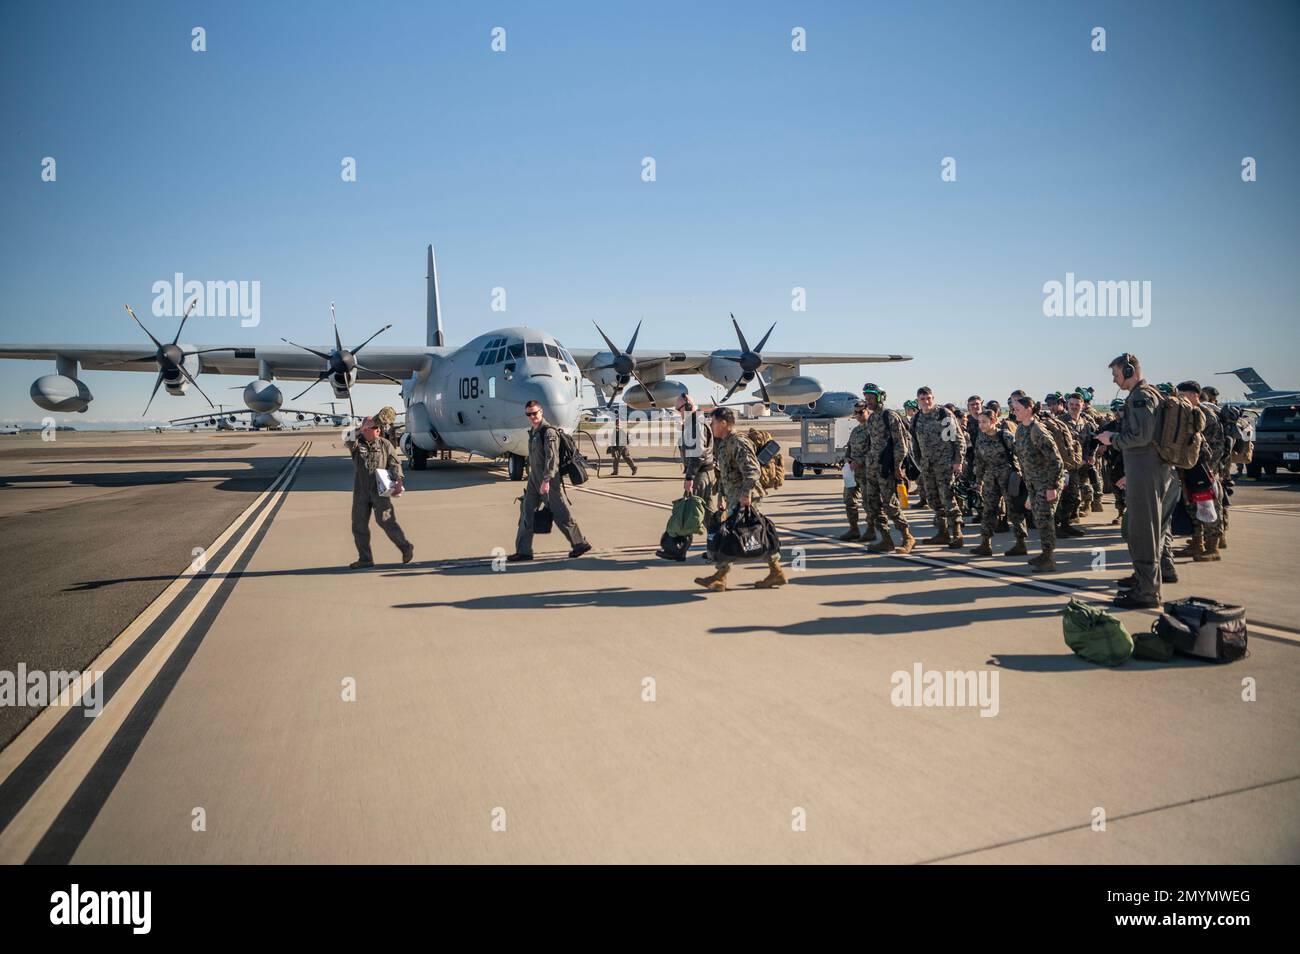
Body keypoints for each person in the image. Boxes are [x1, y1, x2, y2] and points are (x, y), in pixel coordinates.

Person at [1097, 353, 1171, 608]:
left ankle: (1148, 591)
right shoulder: (1146, 395)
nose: (1115, 380)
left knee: (1143, 530)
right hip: (1146, 468)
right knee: (1144, 529)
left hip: (1145, 468)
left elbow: (1141, 436)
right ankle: (1143, 580)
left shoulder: (1141, 396)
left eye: (1117, 374)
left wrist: (1112, 440)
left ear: (1129, 371)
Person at [694, 406, 785, 591]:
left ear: (723, 423)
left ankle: (722, 577)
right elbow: (726, 473)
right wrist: (721, 495)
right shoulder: (725, 443)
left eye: (713, 422)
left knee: (749, 534)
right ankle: (773, 572)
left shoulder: (738, 442)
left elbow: (753, 471)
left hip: (745, 496)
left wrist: (746, 494)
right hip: (734, 495)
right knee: (742, 534)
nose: (711, 426)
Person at [508, 400, 592, 562]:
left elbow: (552, 460)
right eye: (529, 414)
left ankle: (580, 543)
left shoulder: (548, 433)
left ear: (541, 412)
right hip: (534, 479)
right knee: (526, 512)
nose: (532, 416)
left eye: (535, 413)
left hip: (548, 480)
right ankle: (523, 551)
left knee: (560, 514)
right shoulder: (533, 432)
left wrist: (546, 480)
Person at [345, 416, 413, 569]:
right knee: (358, 525)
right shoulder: (356, 443)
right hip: (361, 490)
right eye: (374, 428)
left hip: (380, 490)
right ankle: (365, 559)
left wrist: (399, 481)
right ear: (366, 430)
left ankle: (406, 547)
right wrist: (360, 428)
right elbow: (345, 436)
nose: (378, 430)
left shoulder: (384, 444)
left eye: (378, 428)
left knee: (386, 521)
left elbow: (394, 463)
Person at [1173, 381, 1226, 562]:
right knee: (1193, 508)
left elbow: (1218, 445)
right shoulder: (1186, 413)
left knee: (1209, 507)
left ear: (1195, 395)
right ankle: (1197, 543)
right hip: (1189, 468)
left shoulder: (1207, 415)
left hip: (1204, 470)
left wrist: (1208, 469)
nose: (1180, 399)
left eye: (1183, 395)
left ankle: (1213, 548)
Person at [658, 391, 715, 560]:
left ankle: (678, 549)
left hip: (700, 473)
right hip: (706, 471)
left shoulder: (695, 423)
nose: (679, 413)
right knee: (709, 514)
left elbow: (697, 453)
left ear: (688, 406)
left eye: (679, 409)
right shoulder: (694, 421)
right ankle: (718, 548)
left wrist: (689, 477)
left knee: (689, 511)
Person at [1011, 395, 1063, 571]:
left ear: (1028, 409)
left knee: (1045, 519)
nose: (1013, 411)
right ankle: (1045, 554)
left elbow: (1056, 461)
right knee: (1040, 520)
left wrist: (1052, 487)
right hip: (1033, 483)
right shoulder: (1020, 430)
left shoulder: (1037, 431)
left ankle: (1049, 559)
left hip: (1046, 482)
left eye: (1017, 409)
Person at [862, 385, 916, 553]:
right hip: (872, 468)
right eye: (866, 397)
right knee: (873, 505)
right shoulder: (871, 418)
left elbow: (901, 444)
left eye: (871, 397)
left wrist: (898, 466)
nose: (868, 400)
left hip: (887, 468)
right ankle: (886, 540)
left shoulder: (890, 416)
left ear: (879, 397)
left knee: (890, 505)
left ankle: (907, 537)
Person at [914, 386, 966, 547]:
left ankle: (957, 533)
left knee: (948, 498)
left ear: (933, 398)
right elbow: (915, 444)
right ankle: (942, 533)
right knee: (933, 500)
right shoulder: (916, 418)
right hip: (927, 466)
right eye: (923, 399)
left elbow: (959, 439)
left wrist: (958, 461)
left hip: (945, 465)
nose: (926, 401)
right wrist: (919, 463)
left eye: (929, 398)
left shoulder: (944, 415)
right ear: (918, 401)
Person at [971, 407, 1026, 556]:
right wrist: (979, 481)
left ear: (994, 421)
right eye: (979, 422)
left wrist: (1023, 476)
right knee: (988, 510)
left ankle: (1020, 543)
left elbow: (1021, 456)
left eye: (984, 422)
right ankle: (985, 544)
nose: (981, 425)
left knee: (1014, 510)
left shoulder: (1006, 436)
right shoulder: (980, 438)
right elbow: (979, 461)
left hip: (1008, 477)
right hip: (990, 478)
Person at [840, 401, 874, 541]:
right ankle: (854, 529)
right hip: (853, 473)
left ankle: (870, 531)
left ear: (867, 412)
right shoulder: (856, 430)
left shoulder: (873, 429)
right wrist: (847, 459)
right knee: (849, 500)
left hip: (867, 472)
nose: (858, 415)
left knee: (868, 503)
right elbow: (849, 447)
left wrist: (859, 461)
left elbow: (875, 450)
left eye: (861, 412)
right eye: (856, 413)